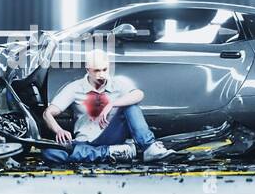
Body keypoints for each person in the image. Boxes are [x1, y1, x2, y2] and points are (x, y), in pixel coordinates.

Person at [40, 48, 173, 164]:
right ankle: (111, 152)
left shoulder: (117, 84)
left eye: (104, 69)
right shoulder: (74, 88)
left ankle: (149, 148)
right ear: (88, 70)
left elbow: (139, 94)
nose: (101, 75)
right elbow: (48, 113)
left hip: (112, 135)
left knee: (130, 104)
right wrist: (59, 130)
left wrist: (112, 103)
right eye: (96, 71)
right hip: (86, 141)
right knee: (50, 152)